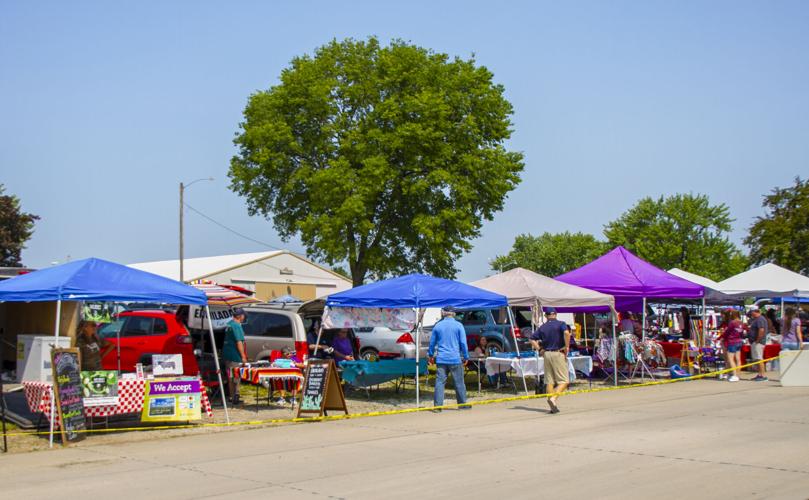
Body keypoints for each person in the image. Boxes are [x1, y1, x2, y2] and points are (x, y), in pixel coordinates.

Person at [428, 306, 470, 411]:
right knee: (459, 382)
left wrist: (430, 355)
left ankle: (438, 406)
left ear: (443, 313)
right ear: (453, 314)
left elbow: (432, 343)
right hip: (455, 358)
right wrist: (466, 356)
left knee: (440, 383)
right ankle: (462, 405)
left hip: (441, 358)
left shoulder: (438, 326)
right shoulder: (459, 325)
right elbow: (463, 343)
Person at [530, 307, 570, 414]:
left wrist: (540, 349)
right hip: (558, 352)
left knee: (549, 380)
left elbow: (532, 339)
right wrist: (567, 346)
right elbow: (566, 333)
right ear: (555, 314)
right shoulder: (561, 324)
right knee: (564, 381)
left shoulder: (543, 327)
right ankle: (553, 399)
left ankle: (551, 403)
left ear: (546, 316)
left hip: (546, 353)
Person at [223, 308, 249, 405]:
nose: (244, 317)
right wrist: (243, 356)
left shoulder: (229, 324)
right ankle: (236, 397)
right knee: (236, 377)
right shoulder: (237, 326)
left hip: (227, 354)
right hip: (235, 355)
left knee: (230, 376)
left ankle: (231, 397)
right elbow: (239, 342)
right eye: (243, 315)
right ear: (240, 316)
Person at [719, 309, 744, 382]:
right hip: (739, 341)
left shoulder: (732, 323)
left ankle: (734, 375)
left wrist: (723, 337)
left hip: (732, 341)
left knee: (730, 359)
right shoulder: (741, 323)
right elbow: (742, 333)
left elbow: (727, 332)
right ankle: (738, 374)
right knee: (738, 359)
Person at [747, 306, 769, 382]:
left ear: (754, 312)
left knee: (759, 358)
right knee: (757, 359)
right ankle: (760, 374)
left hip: (758, 342)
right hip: (755, 342)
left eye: (751, 313)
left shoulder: (760, 319)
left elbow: (761, 330)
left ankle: (762, 375)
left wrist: (757, 340)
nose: (751, 314)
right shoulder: (757, 319)